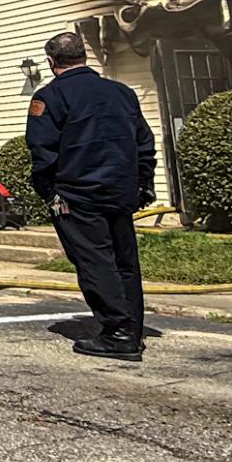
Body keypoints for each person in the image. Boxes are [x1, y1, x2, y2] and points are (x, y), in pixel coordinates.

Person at [25, 32, 158, 361]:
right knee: (124, 261)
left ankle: (118, 333)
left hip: (77, 194)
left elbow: (42, 151)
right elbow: (144, 143)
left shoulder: (50, 97)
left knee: (94, 260)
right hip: (121, 191)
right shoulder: (122, 93)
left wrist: (49, 192)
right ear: (84, 56)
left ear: (51, 62)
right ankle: (132, 327)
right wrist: (143, 185)